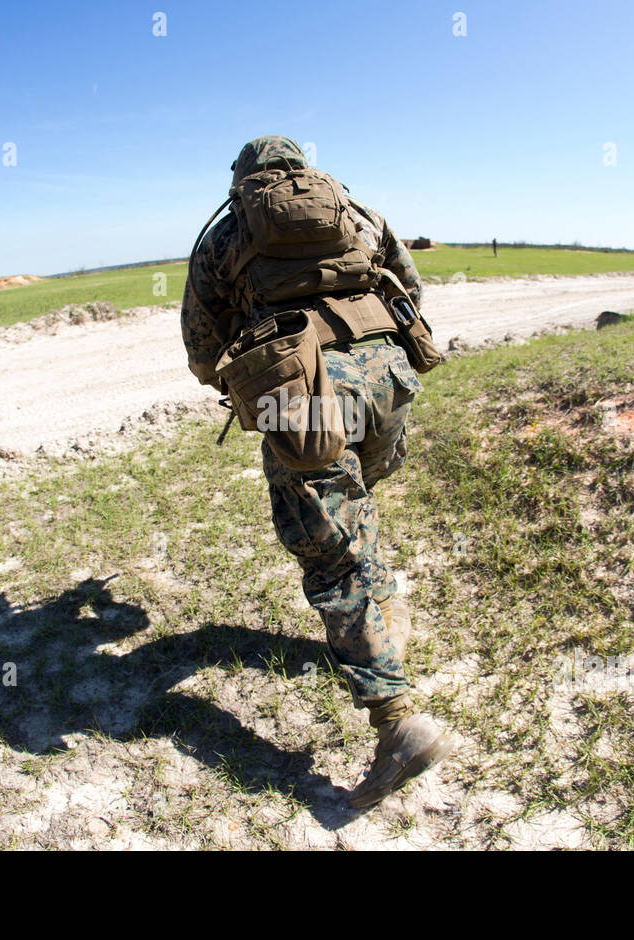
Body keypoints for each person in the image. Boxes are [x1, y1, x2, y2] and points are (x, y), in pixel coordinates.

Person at [181, 136, 455, 809]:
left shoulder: (224, 235)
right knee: (355, 505)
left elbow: (201, 345)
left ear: (244, 181)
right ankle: (382, 608)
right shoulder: (359, 212)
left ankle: (396, 721)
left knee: (330, 549)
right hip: (386, 375)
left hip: (301, 394)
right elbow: (409, 289)